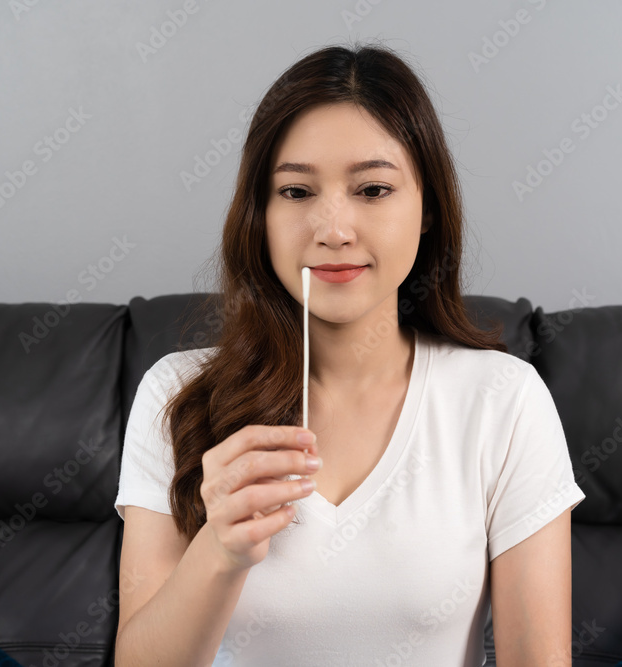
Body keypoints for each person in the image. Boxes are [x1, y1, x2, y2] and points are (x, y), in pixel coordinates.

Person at [113, 40, 585, 666]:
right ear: (259, 215)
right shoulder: (176, 395)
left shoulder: (504, 400)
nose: (333, 230)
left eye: (373, 189)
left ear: (428, 210)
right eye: (296, 192)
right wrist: (218, 551)